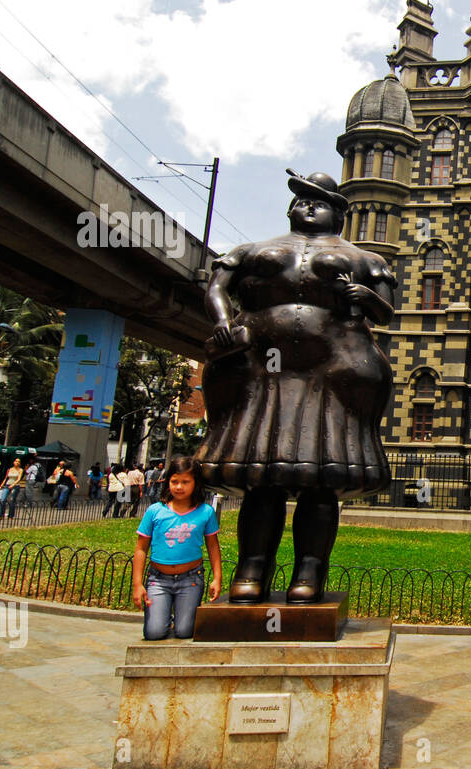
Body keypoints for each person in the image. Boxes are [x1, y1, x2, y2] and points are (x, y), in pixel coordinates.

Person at [195, 170, 395, 604]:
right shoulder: (252, 250)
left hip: (334, 371)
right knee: (262, 475)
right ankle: (252, 567)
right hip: (263, 370)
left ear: (339, 215)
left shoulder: (364, 258)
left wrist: (365, 296)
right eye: (302, 200)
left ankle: (310, 570)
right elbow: (217, 288)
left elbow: (384, 314)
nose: (307, 207)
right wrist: (224, 323)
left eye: (318, 202)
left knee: (322, 477)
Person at [131, 456, 222, 640]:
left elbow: (213, 546)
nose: (179, 487)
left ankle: (178, 618)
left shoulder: (205, 512)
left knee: (185, 631)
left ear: (195, 484)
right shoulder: (155, 511)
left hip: (191, 579)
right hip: (158, 579)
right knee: (154, 633)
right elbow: (141, 548)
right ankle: (164, 617)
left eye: (185, 482)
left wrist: (217, 578)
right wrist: (137, 584)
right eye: (175, 481)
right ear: (168, 482)